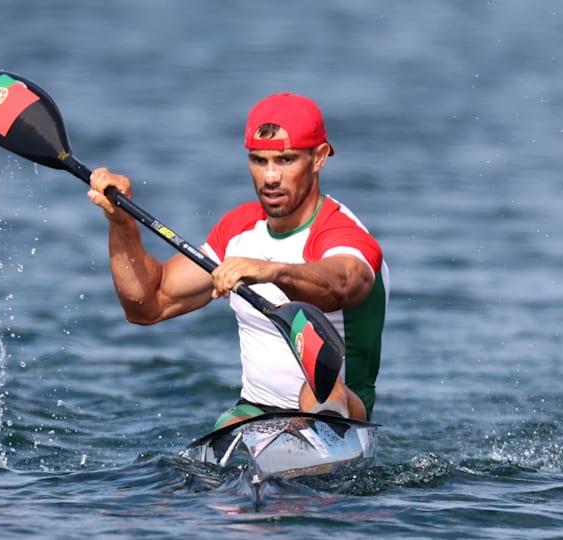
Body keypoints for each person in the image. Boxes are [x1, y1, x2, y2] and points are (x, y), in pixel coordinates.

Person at [87, 92, 388, 429]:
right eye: (259, 161)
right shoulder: (239, 230)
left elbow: (344, 285)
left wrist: (271, 272)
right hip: (254, 411)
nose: (270, 177)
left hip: (343, 413)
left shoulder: (342, 232)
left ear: (318, 158)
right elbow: (147, 305)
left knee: (316, 388)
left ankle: (311, 448)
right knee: (229, 428)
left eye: (286, 161)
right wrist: (121, 224)